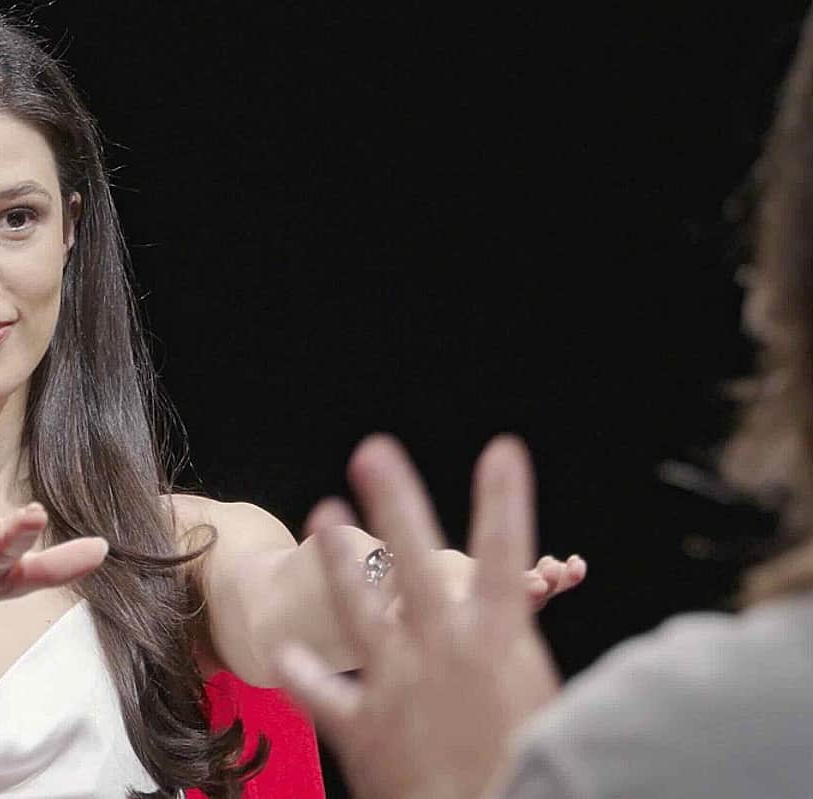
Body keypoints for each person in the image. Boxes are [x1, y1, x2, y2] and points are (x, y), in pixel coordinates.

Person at [0, 2, 586, 798]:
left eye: (16, 218)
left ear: (70, 230)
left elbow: (281, 603)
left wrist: (391, 585)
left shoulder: (172, 552)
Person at [274, 7, 813, 799]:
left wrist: (407, 578)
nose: (12, 277)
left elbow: (268, 587)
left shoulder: (664, 735)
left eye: (24, 219)